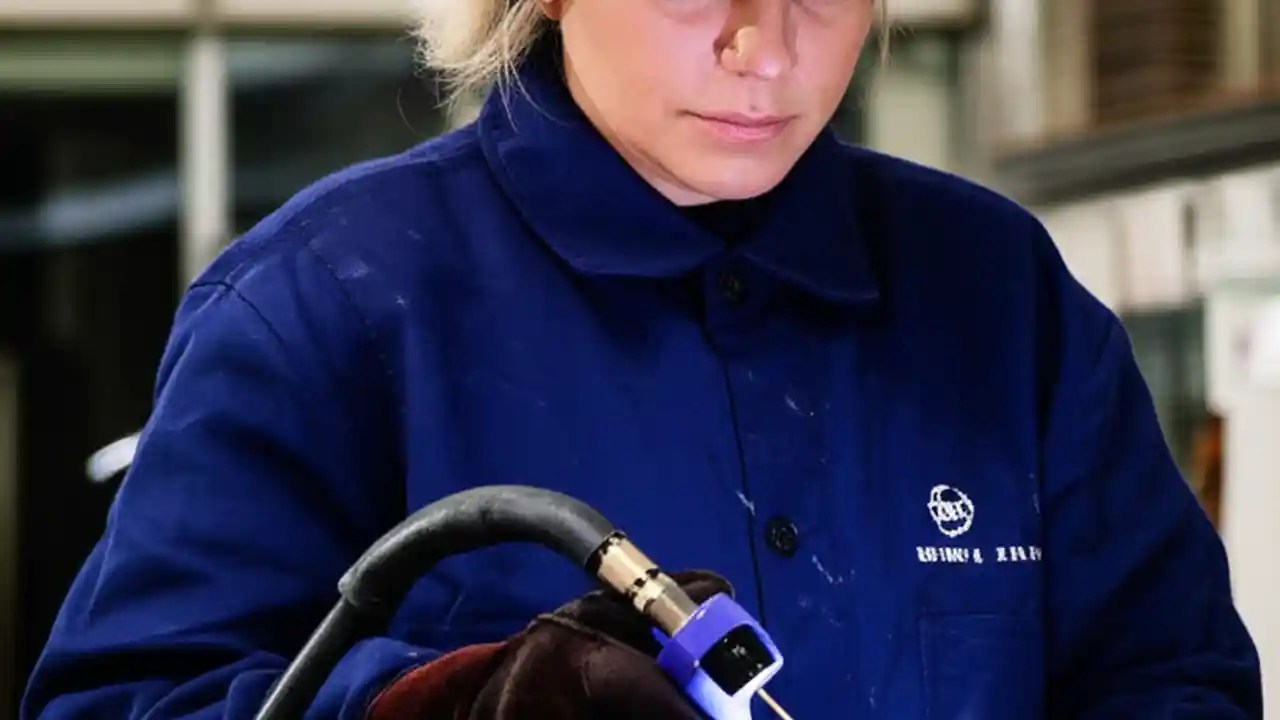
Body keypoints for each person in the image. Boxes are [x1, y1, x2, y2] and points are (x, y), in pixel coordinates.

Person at [22, 0, 1263, 717]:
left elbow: (1173, 682)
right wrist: (442, 705)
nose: (761, 45)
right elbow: (121, 704)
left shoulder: (996, 294)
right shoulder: (323, 306)